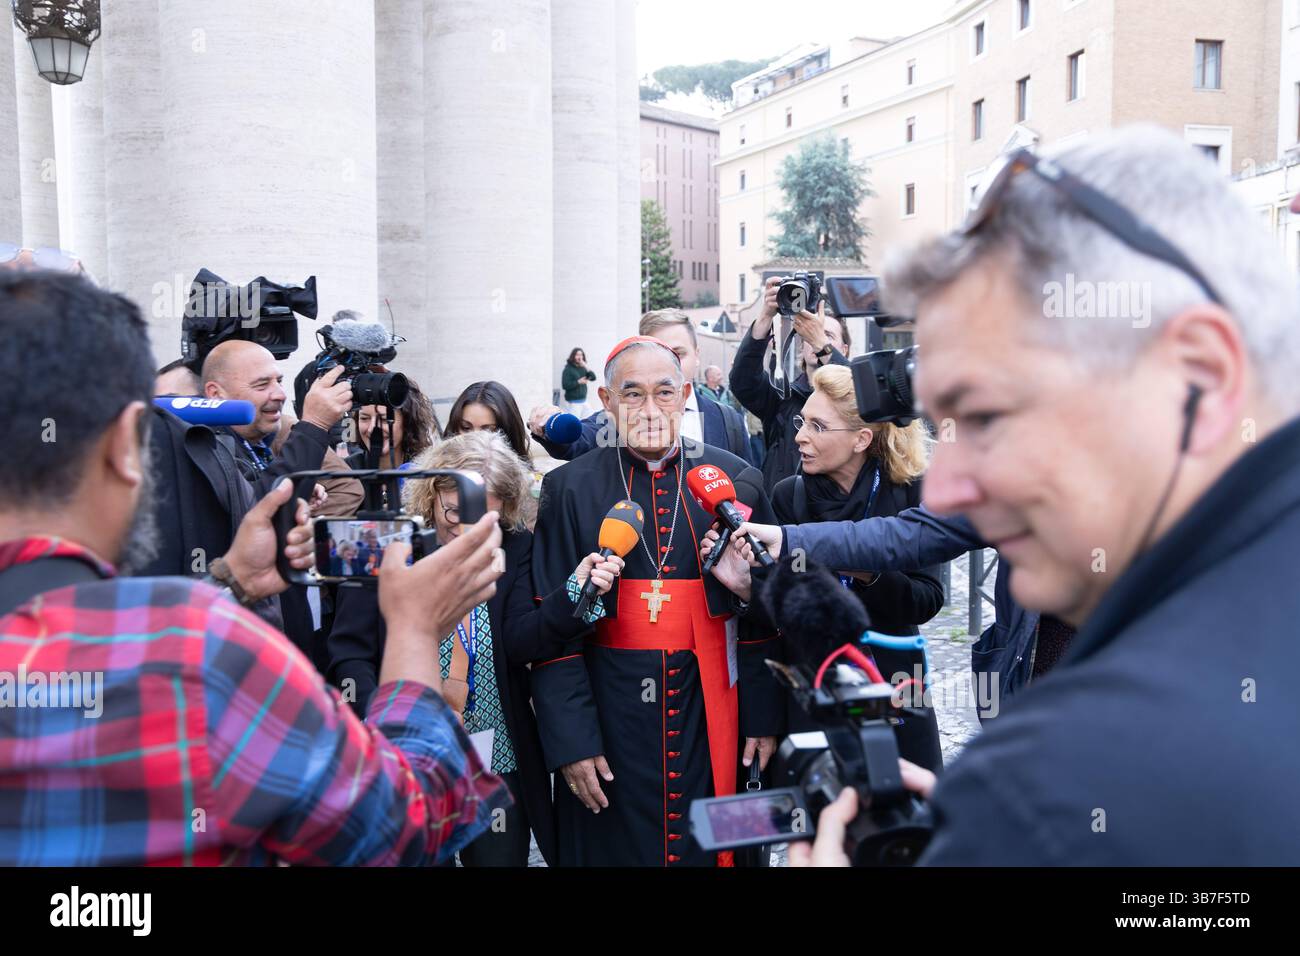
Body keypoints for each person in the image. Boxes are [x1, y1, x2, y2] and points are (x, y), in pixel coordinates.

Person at [800, 125, 1300, 865]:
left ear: (1197, 380)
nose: (949, 483)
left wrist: (1006, 830)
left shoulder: (1048, 793)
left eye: (990, 417)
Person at [0, 269, 510, 865]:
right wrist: (417, 634)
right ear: (124, 447)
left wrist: (231, 583)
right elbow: (400, 825)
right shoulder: (199, 651)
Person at [528, 335, 785, 867]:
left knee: (719, 844)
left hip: (714, 709)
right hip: (609, 713)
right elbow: (552, 632)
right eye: (632, 395)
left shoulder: (736, 479)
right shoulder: (567, 489)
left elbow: (765, 620)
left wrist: (763, 714)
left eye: (664, 394)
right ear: (605, 402)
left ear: (685, 394)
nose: (649, 411)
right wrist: (572, 740)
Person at [327, 430, 625, 866]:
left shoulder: (515, 548)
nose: (464, 530)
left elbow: (525, 639)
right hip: (404, 758)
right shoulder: (382, 540)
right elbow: (350, 652)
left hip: (494, 762)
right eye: (453, 511)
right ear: (431, 493)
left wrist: (574, 591)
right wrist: (376, 725)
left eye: (484, 520)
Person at [772, 365, 944, 770]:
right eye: (802, 422)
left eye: (817, 426)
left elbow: (926, 599)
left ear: (861, 439)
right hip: (817, 684)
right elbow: (778, 607)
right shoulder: (788, 496)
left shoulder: (912, 493)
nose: (800, 436)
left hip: (897, 683)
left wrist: (867, 572)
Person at [529, 310, 753, 464]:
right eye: (656, 352)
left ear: (697, 355)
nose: (668, 363)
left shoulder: (727, 420)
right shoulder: (618, 417)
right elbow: (577, 441)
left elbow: (746, 486)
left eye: (679, 353)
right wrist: (552, 424)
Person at [729, 279, 851, 491]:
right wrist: (766, 316)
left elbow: (856, 391)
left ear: (844, 349)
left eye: (828, 335)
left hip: (836, 517)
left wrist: (822, 344)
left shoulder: (857, 397)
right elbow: (743, 382)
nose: (815, 339)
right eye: (810, 334)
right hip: (781, 514)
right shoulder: (782, 397)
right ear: (801, 345)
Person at [446, 380, 533, 463]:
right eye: (466, 428)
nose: (475, 439)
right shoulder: (439, 475)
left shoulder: (529, 477)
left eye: (487, 431)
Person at [561, 347, 598, 415]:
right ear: (573, 356)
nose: (580, 357)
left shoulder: (582, 368)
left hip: (583, 400)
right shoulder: (568, 369)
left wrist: (585, 366)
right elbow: (565, 385)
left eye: (581, 355)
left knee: (589, 417)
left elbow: (593, 377)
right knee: (575, 422)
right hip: (573, 402)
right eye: (577, 355)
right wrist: (578, 382)